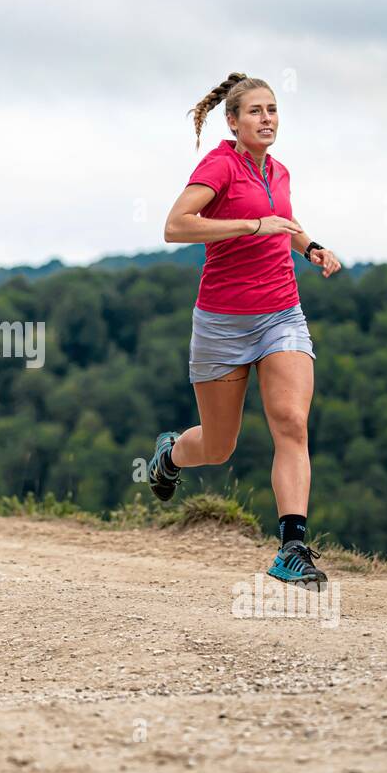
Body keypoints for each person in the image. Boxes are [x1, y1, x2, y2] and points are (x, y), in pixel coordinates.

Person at [148, 72, 343, 585]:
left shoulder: (278, 171)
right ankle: (170, 455)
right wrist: (251, 226)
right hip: (222, 323)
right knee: (218, 446)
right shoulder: (219, 166)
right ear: (233, 121)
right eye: (256, 111)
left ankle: (292, 548)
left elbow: (286, 220)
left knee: (291, 422)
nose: (267, 119)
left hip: (282, 313)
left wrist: (312, 247)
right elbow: (175, 226)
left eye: (273, 110)